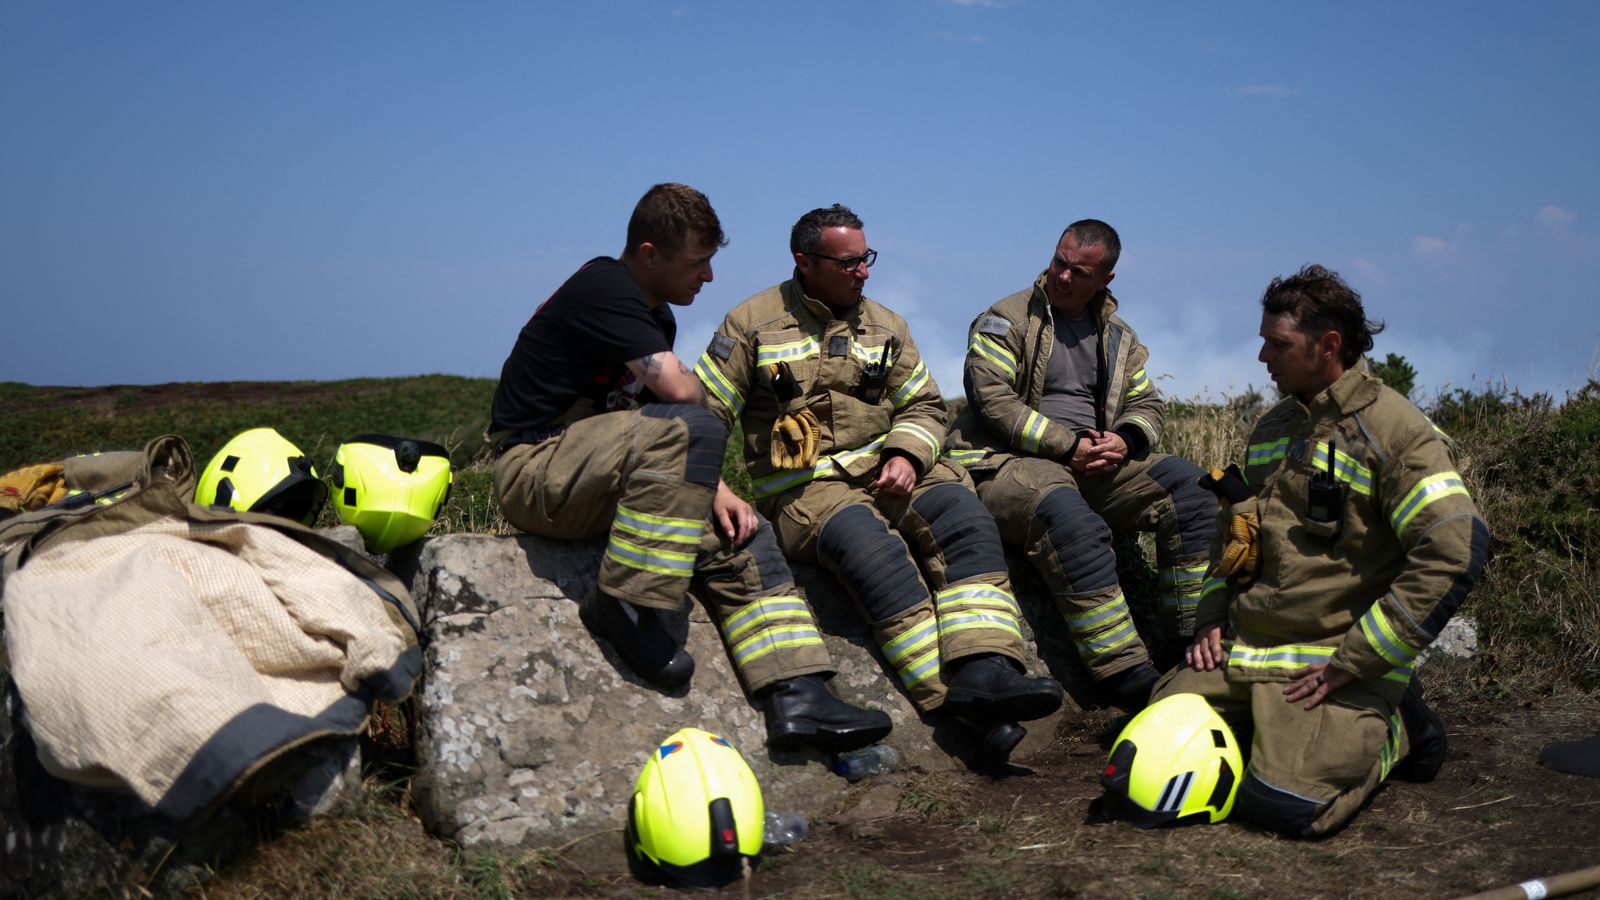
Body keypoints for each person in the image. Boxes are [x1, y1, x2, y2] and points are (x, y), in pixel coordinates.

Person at [489, 184, 890, 754]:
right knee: (693, 423)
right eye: (698, 263)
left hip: (603, 469)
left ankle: (798, 694)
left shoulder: (657, 321)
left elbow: (644, 419)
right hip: (536, 468)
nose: (707, 279)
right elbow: (677, 394)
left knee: (741, 530)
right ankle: (626, 602)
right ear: (650, 254)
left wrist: (721, 490)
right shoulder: (605, 287)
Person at [693, 204, 1063, 764]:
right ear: (805, 262)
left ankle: (988, 669)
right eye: (848, 263)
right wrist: (715, 488)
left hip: (895, 471)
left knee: (965, 521)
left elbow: (925, 404)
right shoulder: (751, 324)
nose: (863, 272)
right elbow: (702, 416)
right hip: (807, 489)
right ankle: (956, 707)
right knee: (875, 556)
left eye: (866, 259)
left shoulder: (888, 325)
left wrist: (908, 454)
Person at [1159, 264, 1489, 837]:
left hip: (1325, 664)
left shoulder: (1396, 434)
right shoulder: (1271, 429)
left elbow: (1453, 548)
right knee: (1143, 752)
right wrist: (1210, 620)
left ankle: (1398, 729)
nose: (1263, 357)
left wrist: (1357, 660)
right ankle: (1277, 738)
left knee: (1285, 807)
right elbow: (1238, 538)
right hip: (1245, 653)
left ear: (1328, 344)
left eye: (1277, 343)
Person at [947, 220, 1216, 711]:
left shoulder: (1119, 337)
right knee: (1068, 516)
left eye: (1079, 271)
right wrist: (1067, 445)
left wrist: (1124, 439)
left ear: (1105, 280)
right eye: (1059, 262)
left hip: (1095, 464)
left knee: (1195, 492)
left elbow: (1149, 405)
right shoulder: (1004, 320)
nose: (1063, 276)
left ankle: (1187, 647)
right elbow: (993, 402)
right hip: (1010, 463)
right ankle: (1124, 672)